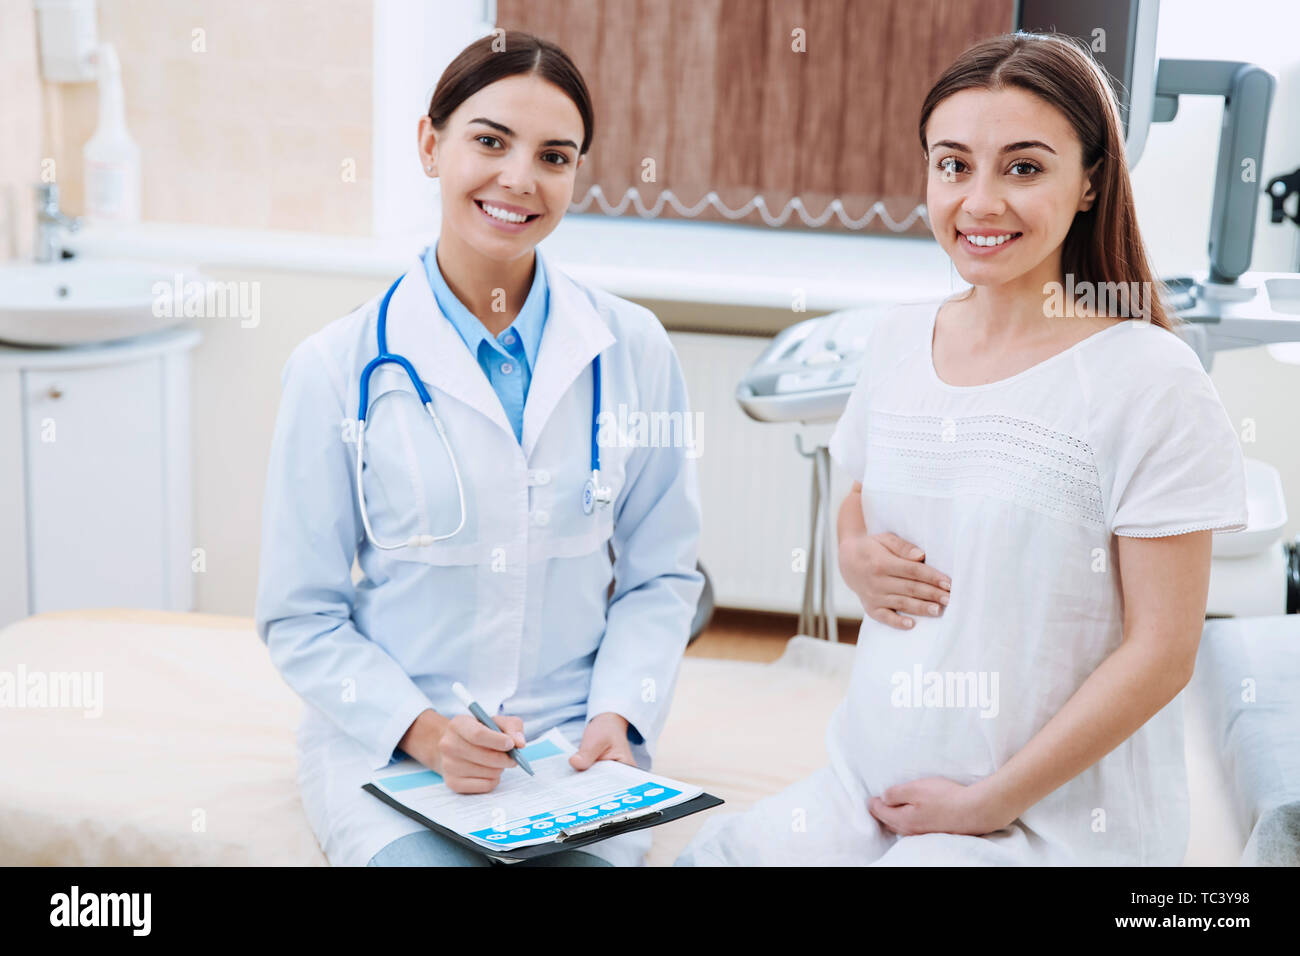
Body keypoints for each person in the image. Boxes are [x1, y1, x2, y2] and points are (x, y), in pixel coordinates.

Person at [677, 31, 1247, 866]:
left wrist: (986, 803)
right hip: (870, 778)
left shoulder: (1148, 380)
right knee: (715, 857)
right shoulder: (901, 339)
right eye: (953, 165)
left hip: (1047, 817)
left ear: (1090, 182)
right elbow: (858, 495)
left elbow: (1163, 653)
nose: (980, 201)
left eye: (1023, 167)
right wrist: (853, 551)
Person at [255, 31, 703, 867]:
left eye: (554, 156)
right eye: (490, 141)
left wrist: (621, 718)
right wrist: (422, 733)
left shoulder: (633, 350)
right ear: (431, 145)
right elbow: (300, 612)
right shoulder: (334, 368)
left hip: (573, 745)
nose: (519, 179)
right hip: (390, 743)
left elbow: (662, 573)